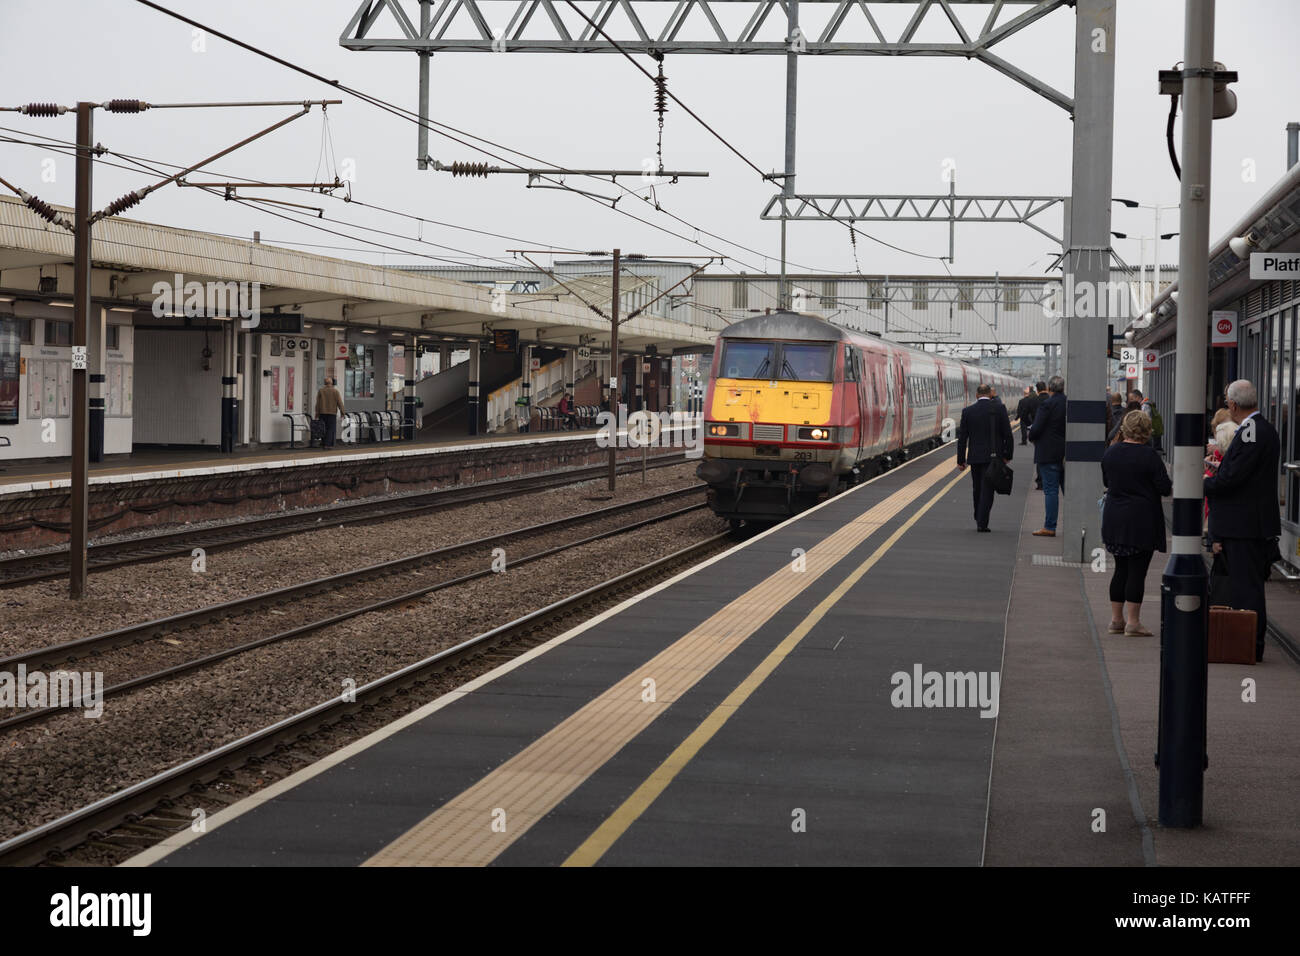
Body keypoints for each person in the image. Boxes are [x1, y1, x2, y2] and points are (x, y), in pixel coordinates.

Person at [1203, 379, 1282, 662]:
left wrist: (1206, 482)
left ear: (1233, 405)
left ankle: (1248, 645)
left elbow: (1234, 478)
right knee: (1246, 586)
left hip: (1244, 524)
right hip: (1250, 522)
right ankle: (1246, 642)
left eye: (1227, 402)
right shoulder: (1264, 429)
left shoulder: (1250, 431)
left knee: (1247, 588)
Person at [1101, 411, 1173, 635]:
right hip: (1142, 519)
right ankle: (1133, 622)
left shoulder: (1111, 453)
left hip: (1114, 517)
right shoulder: (1149, 456)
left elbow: (1106, 481)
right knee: (1137, 572)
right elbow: (1164, 487)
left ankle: (1116, 620)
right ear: (1146, 430)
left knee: (1120, 569)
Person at [956, 383, 1014, 533]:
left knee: (977, 488)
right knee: (988, 490)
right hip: (994, 458)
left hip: (975, 457)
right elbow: (1008, 434)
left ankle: (978, 516)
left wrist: (960, 460)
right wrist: (1008, 455)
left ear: (976, 395)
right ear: (990, 394)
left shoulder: (968, 411)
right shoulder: (999, 409)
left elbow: (962, 438)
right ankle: (982, 522)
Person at [1028, 375, 1067, 537]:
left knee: (1051, 491)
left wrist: (1031, 437)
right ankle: (1077, 523)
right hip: (1067, 452)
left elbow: (1036, 428)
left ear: (1050, 388)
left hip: (1048, 452)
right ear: (1063, 388)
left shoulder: (1047, 404)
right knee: (1069, 490)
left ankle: (1050, 527)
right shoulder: (1068, 403)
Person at [314, 376, 345, 448]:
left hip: (322, 413)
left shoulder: (321, 391)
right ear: (331, 383)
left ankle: (324, 442)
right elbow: (340, 403)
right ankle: (328, 444)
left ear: (325, 383)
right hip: (332, 413)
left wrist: (317, 413)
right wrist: (342, 412)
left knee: (323, 428)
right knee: (330, 429)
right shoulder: (335, 391)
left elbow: (318, 403)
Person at [1033, 380, 1049, 489]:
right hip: (1051, 434)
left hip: (1038, 433)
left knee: (1040, 458)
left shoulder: (1034, 400)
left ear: (1037, 390)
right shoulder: (1051, 400)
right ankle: (1048, 479)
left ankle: (1040, 482)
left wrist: (1032, 425)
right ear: (1046, 388)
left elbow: (1025, 414)